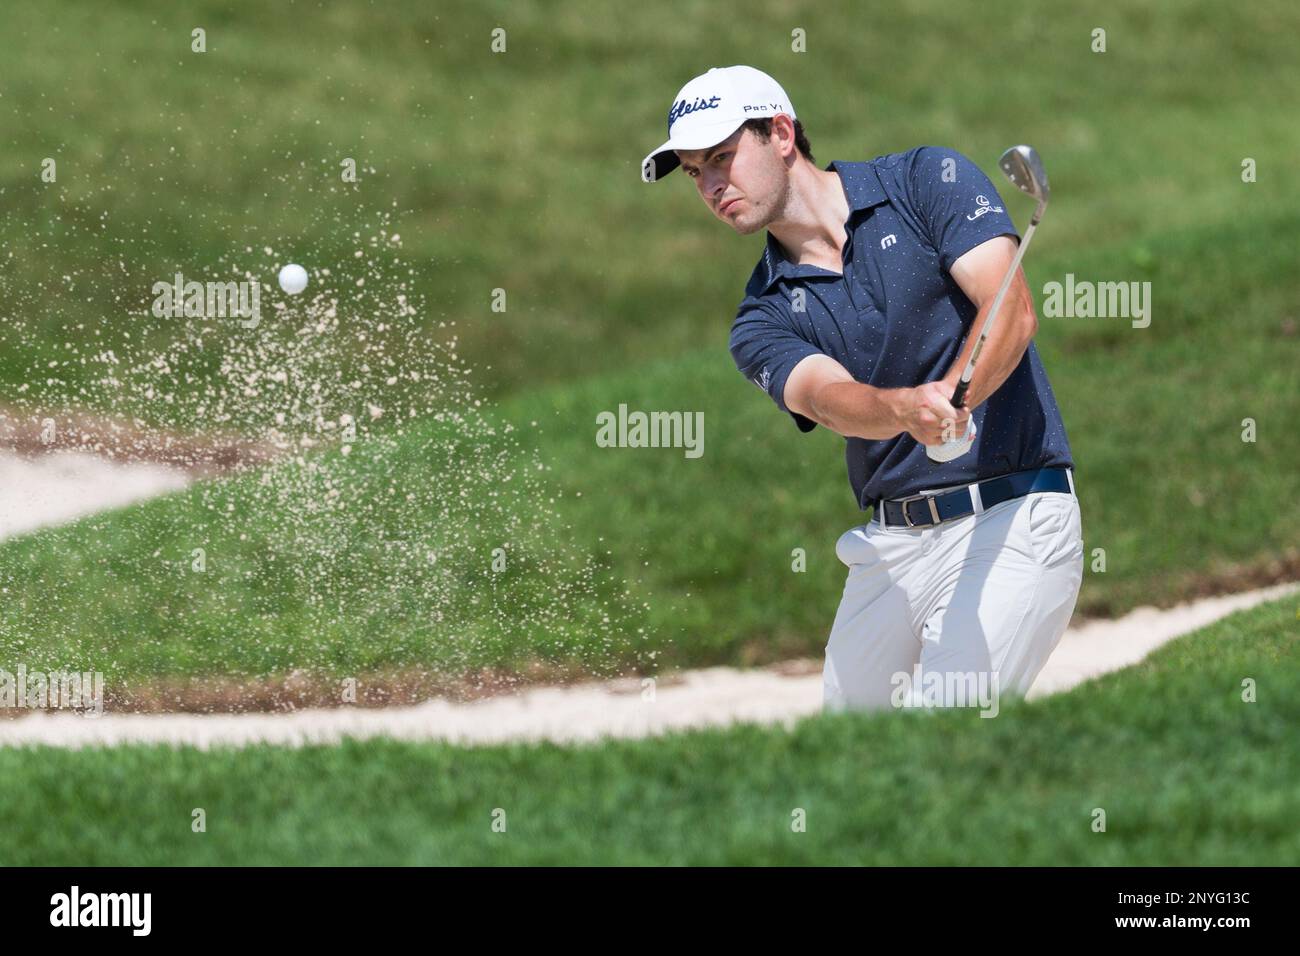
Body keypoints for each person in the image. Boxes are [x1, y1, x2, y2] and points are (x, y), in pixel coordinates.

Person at [640, 66, 1083, 712]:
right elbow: (826, 398)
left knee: (940, 741)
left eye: (722, 159)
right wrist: (906, 412)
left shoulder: (928, 180)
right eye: (693, 172)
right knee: (849, 773)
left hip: (1013, 517)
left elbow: (1009, 310)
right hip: (891, 551)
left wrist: (955, 397)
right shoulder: (761, 316)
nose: (710, 186)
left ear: (782, 133)